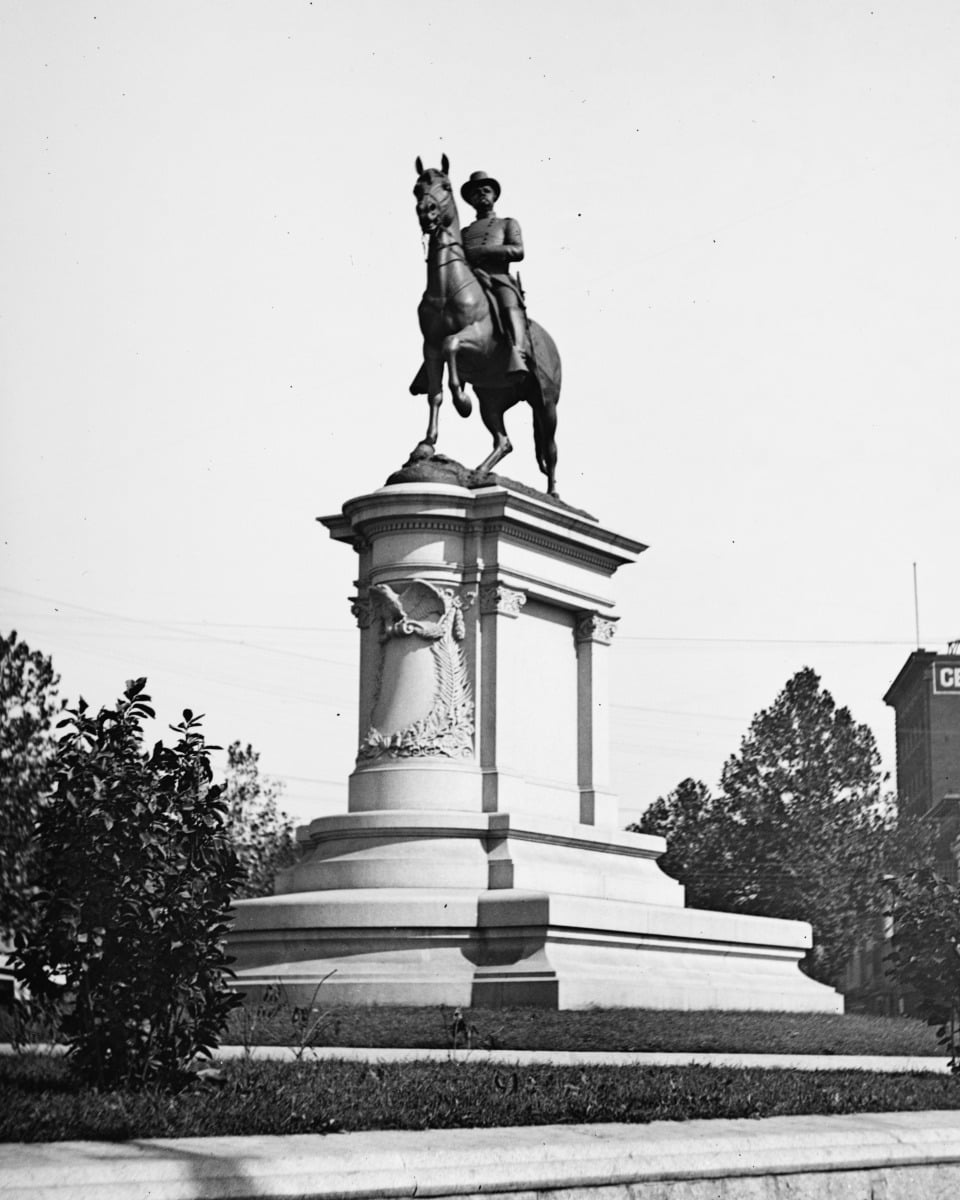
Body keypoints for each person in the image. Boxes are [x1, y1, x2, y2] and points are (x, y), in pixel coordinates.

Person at [460, 170, 531, 377]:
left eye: (486, 190)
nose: (481, 194)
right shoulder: (464, 232)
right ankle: (431, 367)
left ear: (494, 196)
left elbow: (518, 251)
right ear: (470, 200)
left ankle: (518, 352)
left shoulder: (508, 223)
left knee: (508, 306)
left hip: (499, 279)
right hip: (472, 281)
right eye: (476, 193)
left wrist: (484, 252)